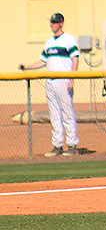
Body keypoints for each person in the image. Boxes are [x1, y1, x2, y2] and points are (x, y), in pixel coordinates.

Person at [19, 13, 80, 157]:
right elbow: (43, 61)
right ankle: (57, 145)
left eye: (55, 22)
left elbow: (75, 58)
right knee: (54, 114)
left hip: (63, 80)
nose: (52, 24)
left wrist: (72, 78)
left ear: (61, 23)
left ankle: (72, 145)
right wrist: (26, 67)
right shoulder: (49, 42)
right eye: (51, 22)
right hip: (50, 81)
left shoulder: (69, 39)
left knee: (67, 113)